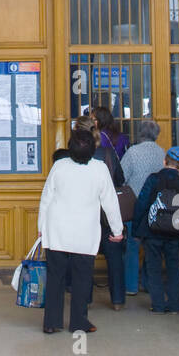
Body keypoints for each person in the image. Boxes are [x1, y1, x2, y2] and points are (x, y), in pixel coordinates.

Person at [37, 129, 124, 334]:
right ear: (93, 149)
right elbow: (110, 202)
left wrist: (41, 227)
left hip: (56, 229)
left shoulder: (59, 166)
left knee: (55, 277)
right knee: (82, 279)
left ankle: (51, 322)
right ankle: (78, 321)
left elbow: (46, 199)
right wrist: (117, 230)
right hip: (84, 233)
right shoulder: (100, 169)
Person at [75, 114, 127, 309]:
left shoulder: (75, 156)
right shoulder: (107, 153)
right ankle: (118, 300)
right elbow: (120, 179)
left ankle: (85, 298)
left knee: (85, 256)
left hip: (85, 212)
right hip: (107, 212)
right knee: (114, 257)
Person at [135, 145, 179, 313]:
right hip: (174, 232)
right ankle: (174, 305)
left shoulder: (153, 179)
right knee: (173, 268)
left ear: (164, 161)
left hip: (153, 231)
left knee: (154, 268)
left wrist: (137, 229)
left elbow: (141, 203)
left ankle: (157, 305)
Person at [119, 118, 166, 296]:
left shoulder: (132, 152)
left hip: (134, 205)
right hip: (155, 205)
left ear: (140, 133)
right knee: (151, 247)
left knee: (132, 246)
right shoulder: (162, 152)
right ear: (156, 134)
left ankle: (131, 286)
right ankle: (148, 283)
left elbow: (121, 177)